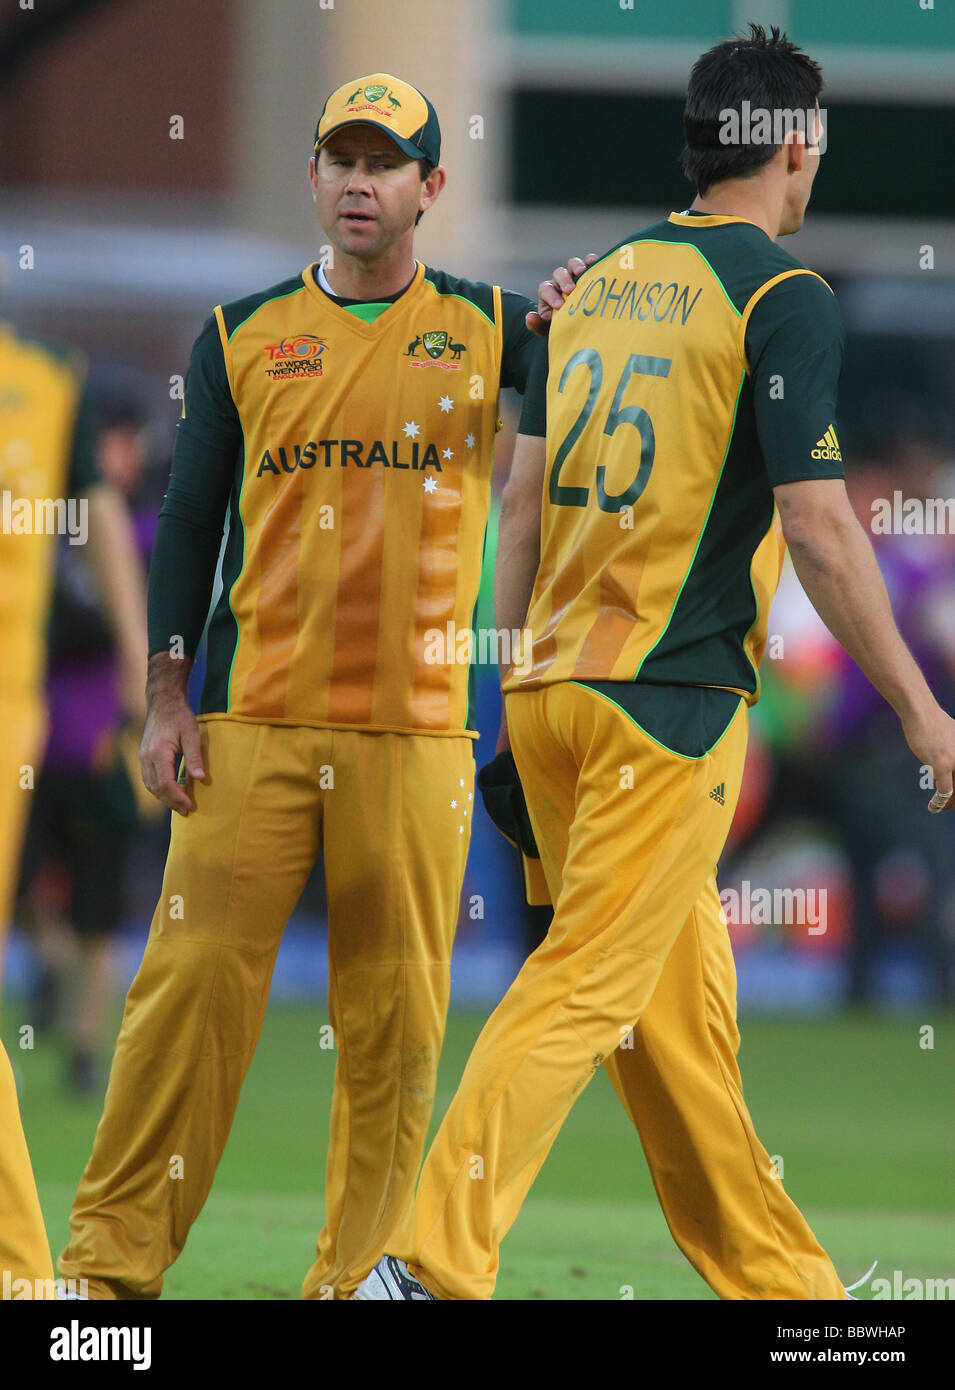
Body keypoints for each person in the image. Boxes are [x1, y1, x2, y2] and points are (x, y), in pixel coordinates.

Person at [357, 26, 955, 1301]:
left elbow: (516, 513)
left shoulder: (587, 287)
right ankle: (425, 1269)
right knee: (581, 989)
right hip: (666, 706)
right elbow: (818, 525)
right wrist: (922, 710)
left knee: (675, 1035)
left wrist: (506, 705)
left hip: (556, 695)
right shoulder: (782, 298)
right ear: (794, 147)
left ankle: (795, 1300)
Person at [58, 72, 551, 1302]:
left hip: (419, 729)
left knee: (395, 1033)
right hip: (249, 725)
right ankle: (106, 1278)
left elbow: (584, 414)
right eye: (341, 158)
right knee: (182, 1006)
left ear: (431, 187)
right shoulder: (237, 334)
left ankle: (358, 1283)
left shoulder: (502, 328)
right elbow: (184, 520)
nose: (358, 181)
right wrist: (167, 697)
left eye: (386, 163)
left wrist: (575, 310)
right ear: (315, 175)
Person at [0, 318, 146, 1299]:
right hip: (34, 728)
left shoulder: (52, 382)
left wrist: (144, 688)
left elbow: (104, 540)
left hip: (59, 731)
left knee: (94, 910)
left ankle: (19, 1269)